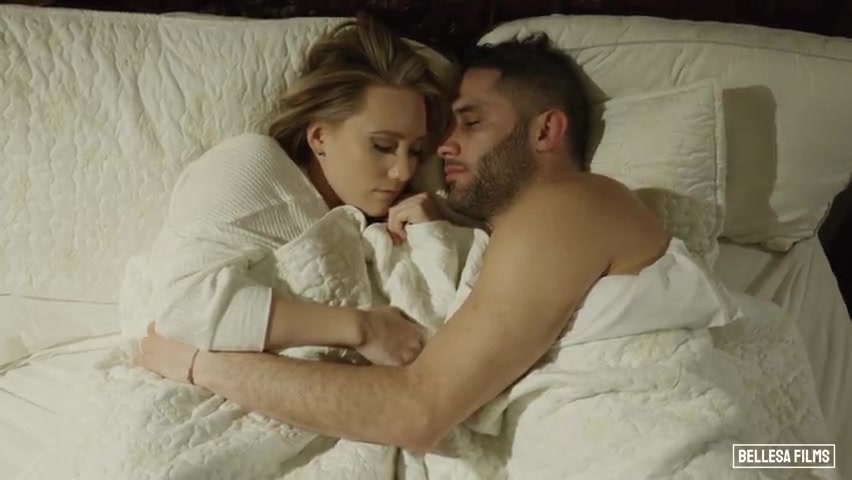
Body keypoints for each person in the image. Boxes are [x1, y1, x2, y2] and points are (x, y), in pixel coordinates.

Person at [136, 33, 672, 453]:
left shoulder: (566, 207)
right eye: (388, 146)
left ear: (546, 131)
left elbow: (417, 409)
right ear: (319, 135)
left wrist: (199, 363)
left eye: (470, 122)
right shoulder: (499, 228)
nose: (439, 151)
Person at [128, 14, 454, 371]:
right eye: (382, 146)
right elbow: (182, 308)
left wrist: (432, 234)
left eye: (416, 151)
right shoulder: (256, 163)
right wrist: (360, 328)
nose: (404, 170)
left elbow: (431, 333)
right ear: (320, 137)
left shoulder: (384, 226)